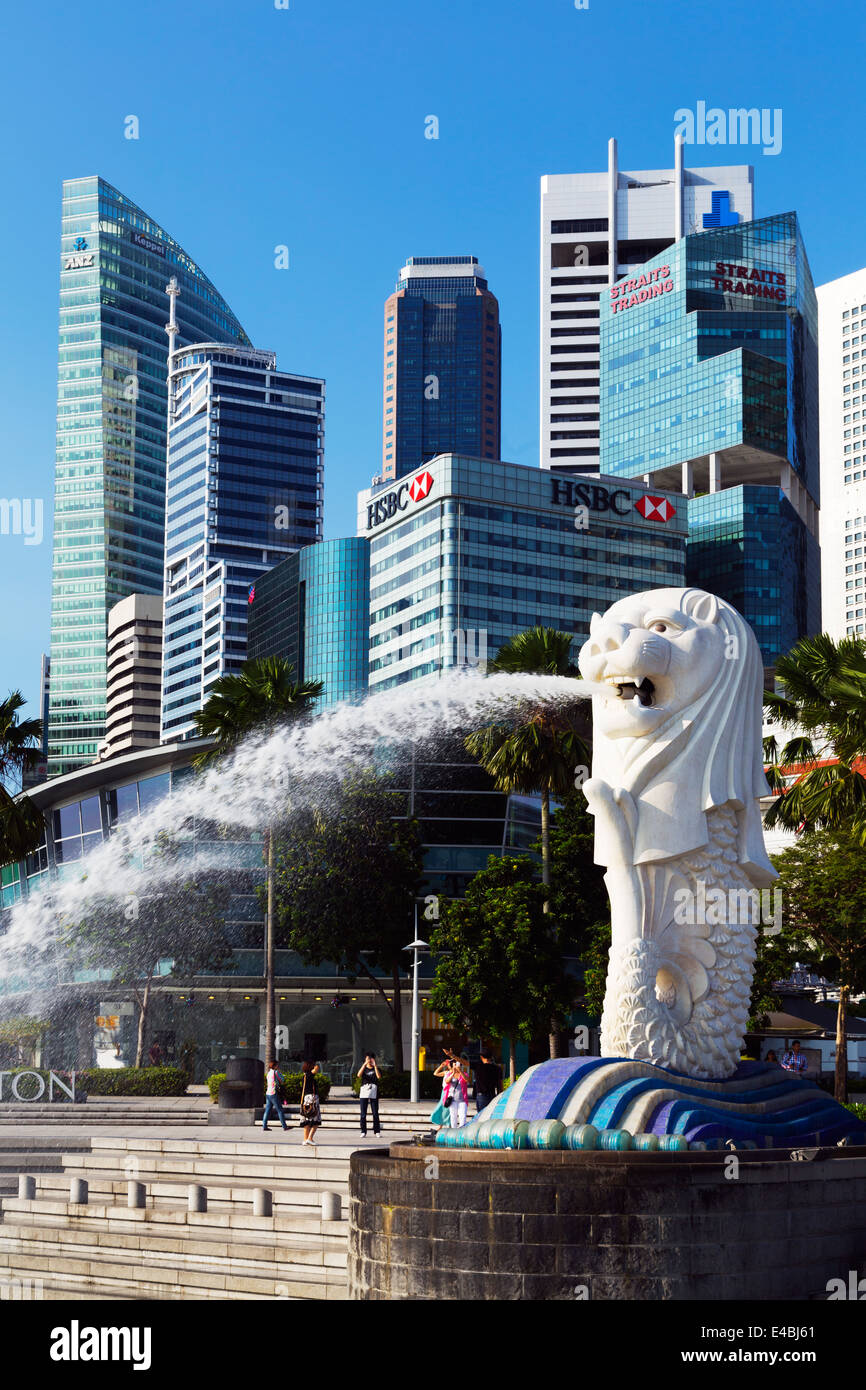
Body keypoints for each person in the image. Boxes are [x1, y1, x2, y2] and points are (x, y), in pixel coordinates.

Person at [356, 1052, 382, 1137]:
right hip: (364, 1091)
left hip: (374, 1092)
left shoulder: (376, 1068)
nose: (369, 1061)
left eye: (370, 1059)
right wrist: (364, 1064)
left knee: (375, 1113)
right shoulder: (364, 1069)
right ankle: (363, 1131)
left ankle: (377, 1131)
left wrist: (375, 1066)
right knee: (363, 1113)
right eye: (367, 1059)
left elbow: (379, 1077)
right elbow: (358, 1075)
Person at [473, 1047, 502, 1116]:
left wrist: (453, 1056)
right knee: (490, 1116)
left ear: (481, 1057)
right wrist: (499, 1096)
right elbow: (500, 1085)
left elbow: (464, 1062)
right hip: (492, 1095)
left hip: (481, 1096)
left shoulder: (478, 1066)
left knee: (481, 1117)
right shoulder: (497, 1068)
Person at [262, 1059, 288, 1132]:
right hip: (274, 1093)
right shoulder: (276, 1072)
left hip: (268, 1093)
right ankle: (284, 1126)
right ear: (275, 1065)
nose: (278, 1066)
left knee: (267, 1110)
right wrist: (280, 1073)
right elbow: (282, 1080)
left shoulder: (269, 1073)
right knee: (280, 1110)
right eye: (277, 1065)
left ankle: (264, 1125)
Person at [300, 1060, 322, 1145]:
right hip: (312, 1099)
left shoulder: (304, 1076)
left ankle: (306, 1139)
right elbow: (314, 1071)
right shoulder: (309, 1076)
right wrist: (316, 1066)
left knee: (307, 1120)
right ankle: (310, 1138)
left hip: (305, 1099)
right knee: (316, 1120)